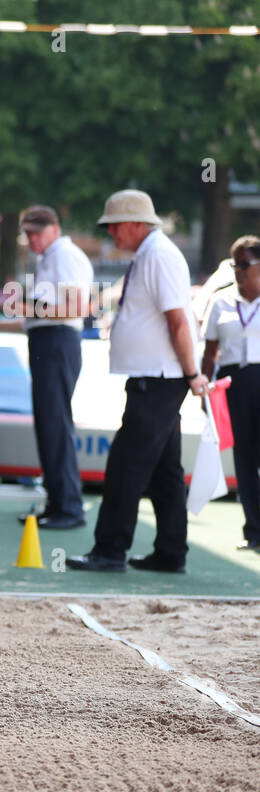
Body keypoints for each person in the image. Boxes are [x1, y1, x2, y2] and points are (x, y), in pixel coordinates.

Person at [67, 190, 208, 573]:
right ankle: (171, 551)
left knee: (126, 464)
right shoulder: (152, 254)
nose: (110, 232)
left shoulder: (158, 256)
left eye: (113, 225)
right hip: (157, 376)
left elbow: (178, 321)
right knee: (164, 471)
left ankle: (110, 550)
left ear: (134, 223)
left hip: (159, 378)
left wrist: (193, 374)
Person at [0, 205, 93, 529]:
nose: (31, 239)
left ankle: (68, 507)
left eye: (36, 232)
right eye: (28, 233)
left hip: (57, 342)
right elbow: (37, 318)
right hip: (50, 341)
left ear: (54, 229)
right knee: (50, 426)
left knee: (55, 426)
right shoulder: (51, 257)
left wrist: (25, 305)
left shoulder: (63, 256)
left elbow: (78, 307)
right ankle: (59, 503)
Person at [200, 235, 260, 552]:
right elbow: (210, 352)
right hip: (233, 381)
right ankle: (254, 531)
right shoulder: (220, 301)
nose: (238, 271)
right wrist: (203, 389)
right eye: (234, 264)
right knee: (245, 457)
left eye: (245, 264)